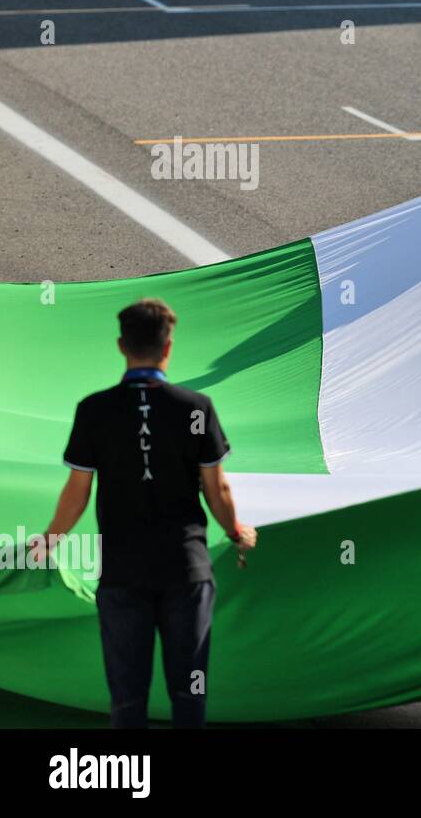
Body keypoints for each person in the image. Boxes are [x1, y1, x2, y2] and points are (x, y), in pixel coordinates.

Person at [31, 298, 256, 728]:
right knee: (189, 698)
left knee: (127, 701)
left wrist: (49, 538)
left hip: (123, 575)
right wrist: (236, 530)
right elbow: (217, 487)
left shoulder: (94, 410)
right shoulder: (196, 408)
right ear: (168, 346)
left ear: (121, 345)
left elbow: (77, 492)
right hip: (185, 572)